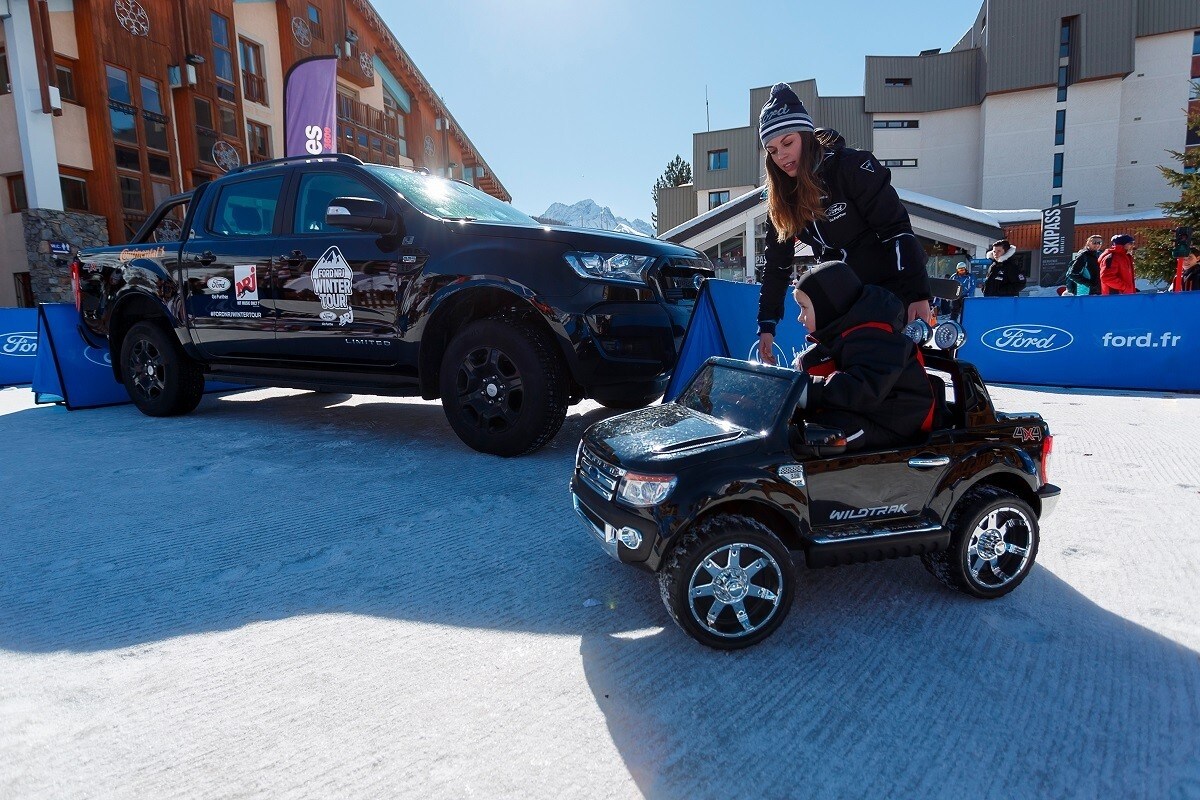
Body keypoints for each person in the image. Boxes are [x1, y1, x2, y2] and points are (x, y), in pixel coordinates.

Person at [755, 83, 931, 364]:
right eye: (772, 150)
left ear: (805, 136)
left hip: (885, 293)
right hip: (839, 301)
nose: (782, 156)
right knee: (812, 369)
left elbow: (896, 230)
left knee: (873, 371)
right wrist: (767, 326)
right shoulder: (782, 199)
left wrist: (918, 294)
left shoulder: (852, 167)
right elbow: (777, 265)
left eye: (788, 143)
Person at [789, 261, 934, 453]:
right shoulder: (842, 333)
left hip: (896, 426)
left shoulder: (879, 339)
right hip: (868, 414)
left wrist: (809, 390)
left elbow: (862, 389)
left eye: (804, 308)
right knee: (795, 420)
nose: (800, 317)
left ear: (828, 305)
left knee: (823, 432)